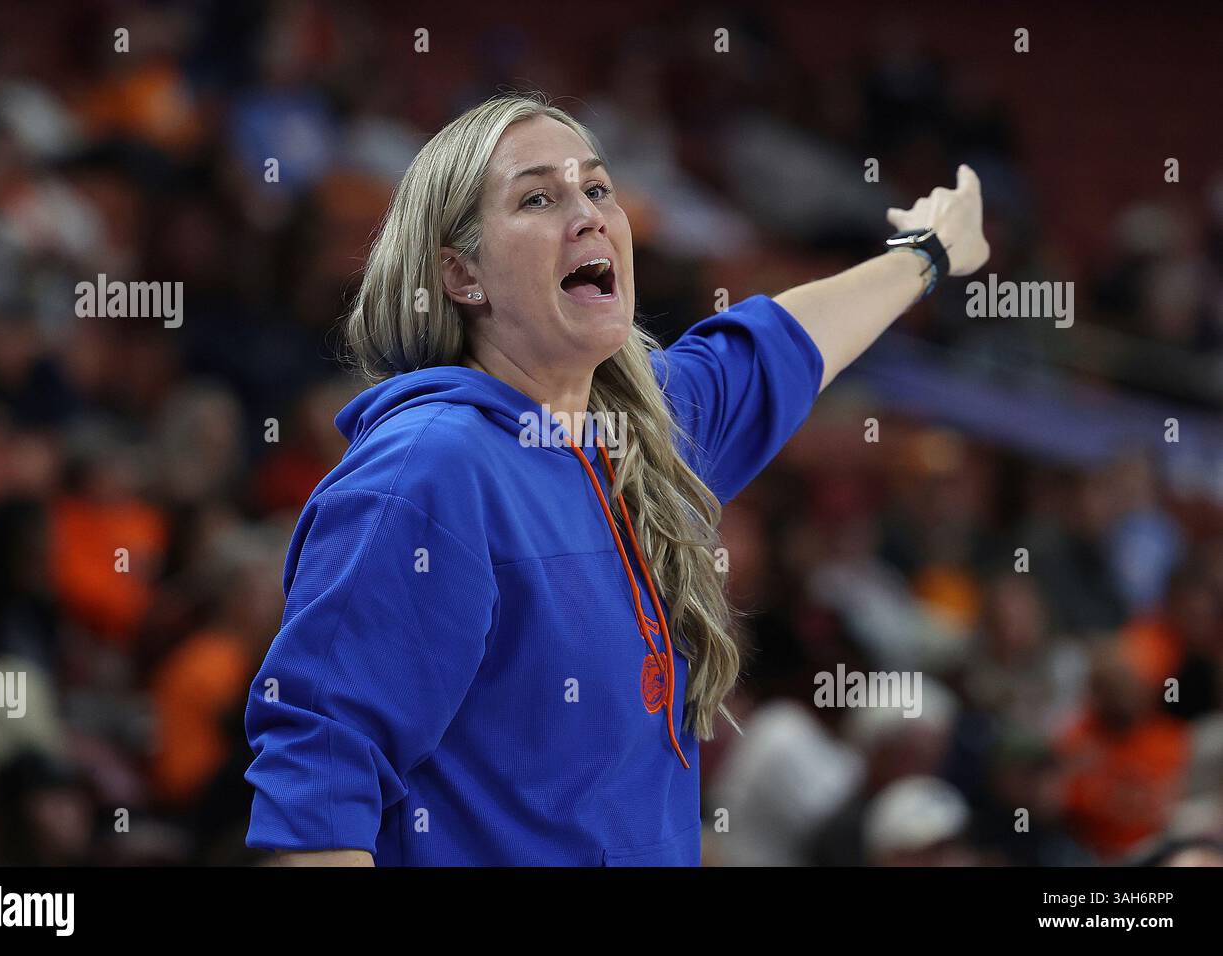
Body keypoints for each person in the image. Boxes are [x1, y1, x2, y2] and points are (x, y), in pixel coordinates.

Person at [243, 92, 989, 866]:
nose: (590, 214)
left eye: (597, 189)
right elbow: (320, 791)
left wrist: (927, 254)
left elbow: (779, 347)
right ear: (461, 274)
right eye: (538, 197)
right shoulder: (429, 470)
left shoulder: (638, 432)